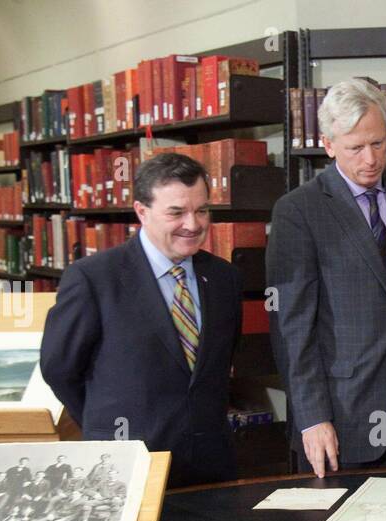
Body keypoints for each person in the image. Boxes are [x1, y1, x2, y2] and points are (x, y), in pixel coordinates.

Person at [268, 79, 386, 477]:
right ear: (329, 145)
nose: (370, 159)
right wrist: (312, 416)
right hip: (342, 410)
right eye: (355, 148)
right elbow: (292, 328)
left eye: (379, 143)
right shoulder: (298, 211)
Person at [42, 152, 242, 488]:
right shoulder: (93, 279)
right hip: (126, 466)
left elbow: (219, 366)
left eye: (202, 210)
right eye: (176, 213)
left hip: (209, 465)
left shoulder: (225, 279)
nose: (193, 225)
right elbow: (59, 369)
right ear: (141, 212)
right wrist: (102, 424)